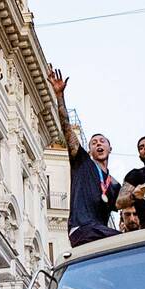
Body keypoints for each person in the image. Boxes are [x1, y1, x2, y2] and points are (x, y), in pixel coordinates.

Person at [49, 65, 119, 246]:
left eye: (102, 141)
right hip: (82, 229)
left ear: (110, 148)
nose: (98, 144)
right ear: (89, 151)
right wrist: (60, 96)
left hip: (99, 233)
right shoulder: (83, 163)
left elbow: (124, 204)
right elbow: (66, 128)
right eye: (94, 143)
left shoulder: (114, 184)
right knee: (124, 241)